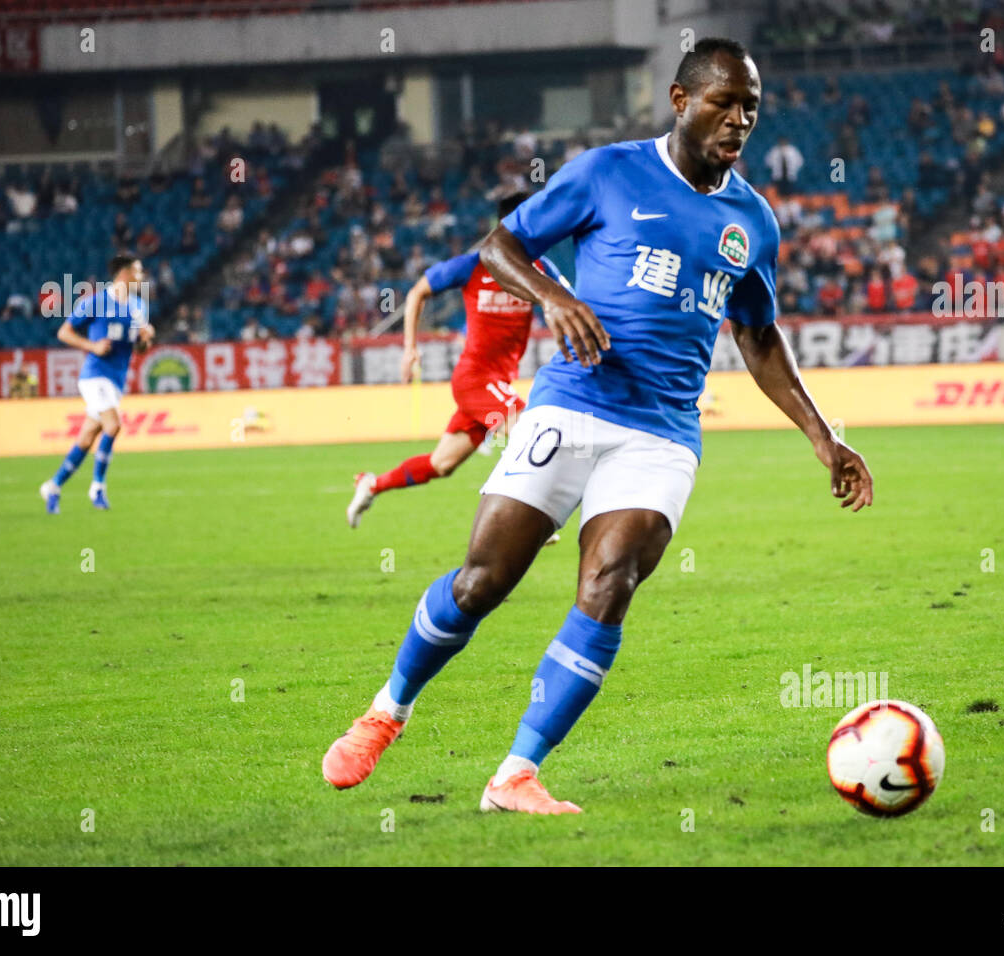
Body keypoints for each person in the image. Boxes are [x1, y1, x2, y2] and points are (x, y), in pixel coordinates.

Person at [322, 38, 873, 814]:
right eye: (724, 100)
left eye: (751, 105)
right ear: (681, 101)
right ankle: (387, 710)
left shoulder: (752, 220)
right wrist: (553, 297)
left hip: (662, 433)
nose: (739, 119)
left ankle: (515, 773)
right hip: (571, 405)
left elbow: (757, 334)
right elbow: (499, 245)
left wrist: (825, 437)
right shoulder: (607, 173)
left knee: (610, 581)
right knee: (483, 581)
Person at [345, 191, 569, 531]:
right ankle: (518, 513)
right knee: (525, 425)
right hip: (475, 379)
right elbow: (418, 291)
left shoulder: (540, 269)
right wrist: (410, 348)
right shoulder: (473, 265)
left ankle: (372, 484)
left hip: (496, 383)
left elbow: (566, 304)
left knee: (441, 464)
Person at [39, 253, 154, 514]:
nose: (141, 276)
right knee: (113, 425)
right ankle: (98, 487)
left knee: (87, 437)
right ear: (124, 273)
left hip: (116, 380)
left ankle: (54, 486)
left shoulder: (139, 307)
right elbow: (64, 332)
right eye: (138, 271)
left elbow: (141, 349)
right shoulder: (96, 302)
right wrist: (92, 345)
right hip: (94, 376)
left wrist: (146, 339)